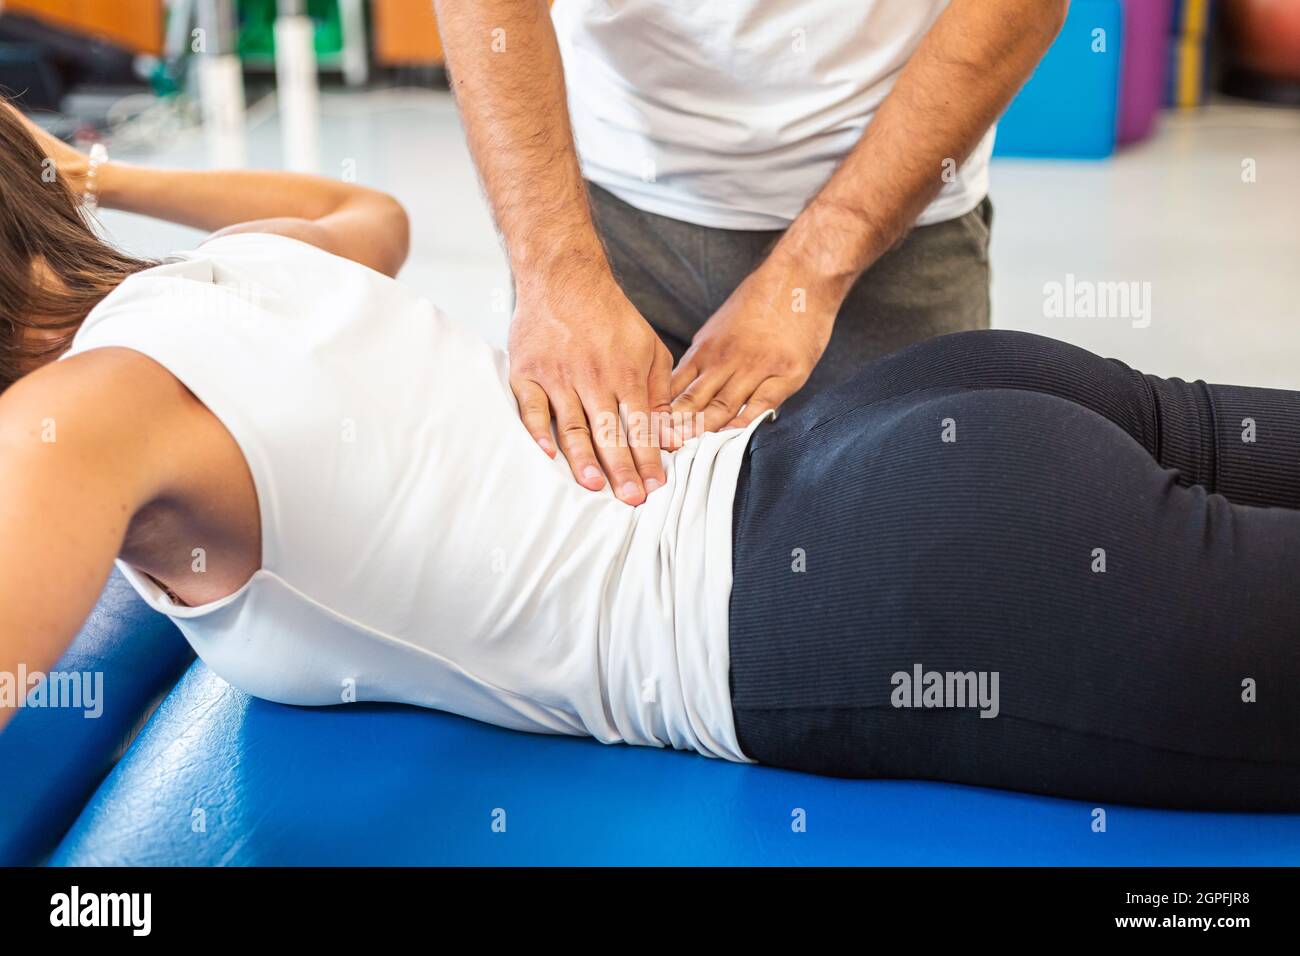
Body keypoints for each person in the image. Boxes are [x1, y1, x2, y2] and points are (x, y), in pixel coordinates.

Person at [2, 103, 1299, 811]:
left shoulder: (78, 416)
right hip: (916, 420)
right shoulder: (235, 273)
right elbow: (369, 214)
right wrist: (89, 177)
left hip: (884, 588)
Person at [434, 0, 1069, 505]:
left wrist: (815, 269)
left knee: (906, 561)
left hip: (900, 216)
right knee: (598, 555)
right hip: (602, 219)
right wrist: (557, 272)